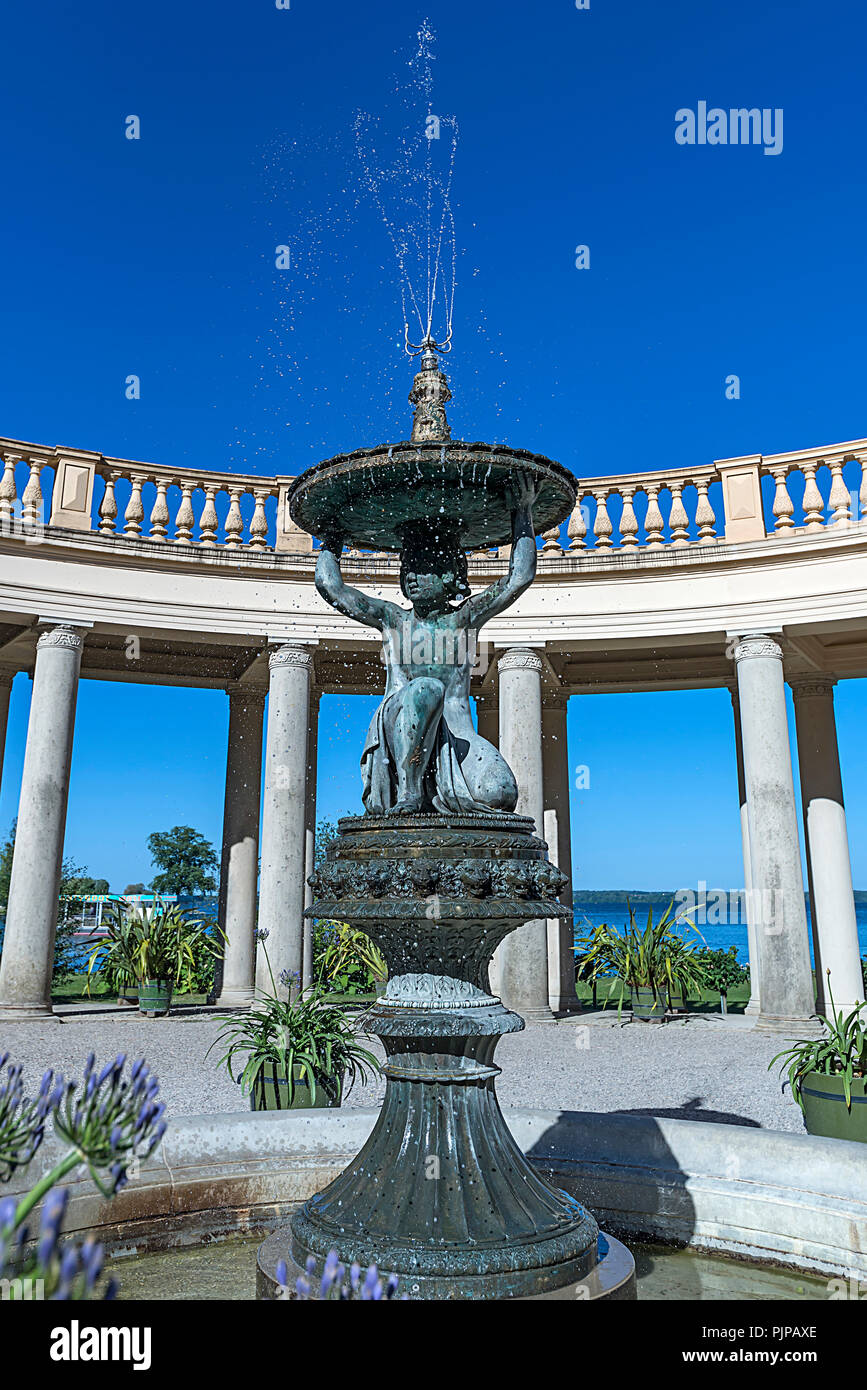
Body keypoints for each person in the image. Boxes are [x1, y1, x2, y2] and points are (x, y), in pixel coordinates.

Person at [314, 470, 538, 815]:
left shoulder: (464, 618)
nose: (412, 578)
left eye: (422, 569)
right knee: (427, 688)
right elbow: (331, 587)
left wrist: (523, 514)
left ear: (449, 576)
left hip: (454, 735)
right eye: (408, 571)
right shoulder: (393, 618)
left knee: (500, 792)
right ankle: (410, 790)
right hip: (400, 720)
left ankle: (432, 791)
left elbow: (518, 578)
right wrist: (331, 537)